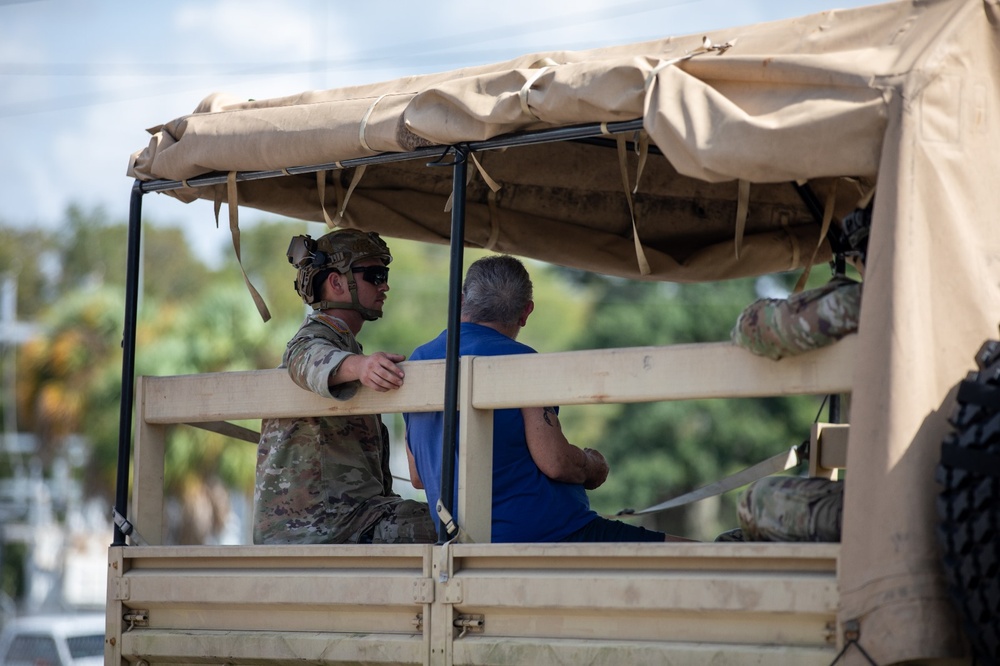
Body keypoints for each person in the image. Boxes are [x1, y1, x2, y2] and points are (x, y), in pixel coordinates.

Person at [404, 254, 691, 543]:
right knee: (700, 558)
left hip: (458, 540)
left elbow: (418, 477)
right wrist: (592, 465)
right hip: (550, 534)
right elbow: (556, 462)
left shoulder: (418, 362)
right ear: (526, 312)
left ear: (462, 299)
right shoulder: (522, 362)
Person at [253, 229, 436, 545]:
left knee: (451, 519)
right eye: (375, 275)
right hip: (321, 526)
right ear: (336, 283)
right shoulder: (312, 340)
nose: (385, 285)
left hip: (341, 520)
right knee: (457, 525)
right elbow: (305, 358)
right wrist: (360, 367)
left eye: (385, 274)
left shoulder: (342, 345)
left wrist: (358, 364)